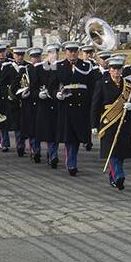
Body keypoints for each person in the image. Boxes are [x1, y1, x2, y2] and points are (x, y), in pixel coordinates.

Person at [49, 40, 96, 176]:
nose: (73, 53)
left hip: (82, 105)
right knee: (70, 138)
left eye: (75, 51)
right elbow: (52, 86)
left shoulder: (86, 65)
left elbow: (92, 85)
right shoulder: (58, 66)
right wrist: (56, 94)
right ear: (66, 52)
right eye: (70, 51)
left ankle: (72, 161)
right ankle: (71, 164)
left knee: (78, 137)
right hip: (66, 105)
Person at [91, 55, 131, 190]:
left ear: (122, 70)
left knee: (120, 152)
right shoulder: (101, 84)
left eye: (119, 69)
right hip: (109, 122)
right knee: (113, 151)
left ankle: (113, 175)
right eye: (113, 69)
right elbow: (95, 106)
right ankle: (119, 176)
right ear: (109, 70)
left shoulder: (128, 85)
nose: (116, 71)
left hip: (123, 122)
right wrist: (93, 125)